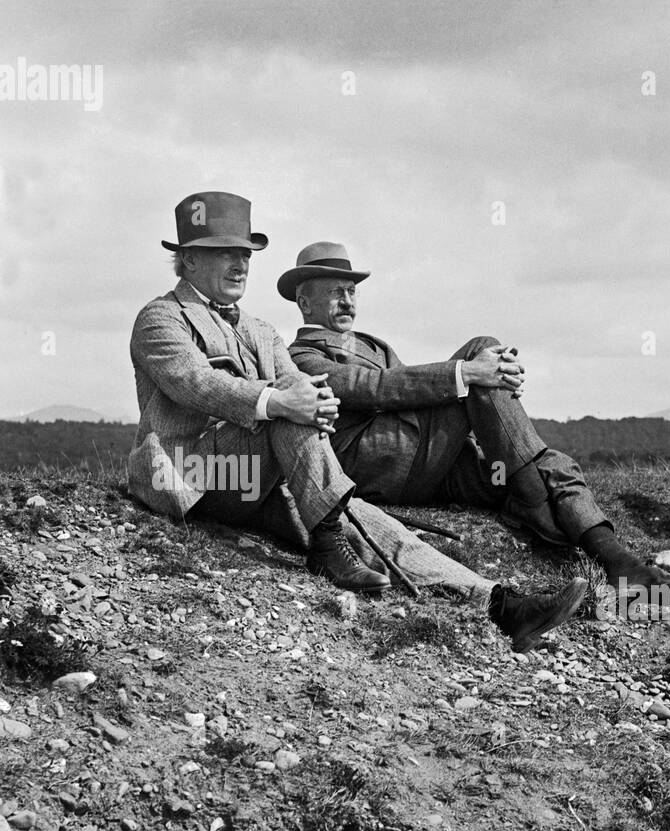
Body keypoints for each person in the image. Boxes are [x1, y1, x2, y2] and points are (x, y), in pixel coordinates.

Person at [127, 192, 585, 652]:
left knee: (374, 524)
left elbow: (301, 387)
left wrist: (317, 402)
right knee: (291, 417)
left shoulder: (261, 330)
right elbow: (196, 383)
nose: (240, 263)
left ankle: (502, 605)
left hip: (255, 477)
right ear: (187, 260)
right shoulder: (161, 317)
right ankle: (328, 544)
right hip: (190, 472)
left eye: (245, 253)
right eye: (223, 252)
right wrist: (284, 401)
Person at [281, 242, 670, 612]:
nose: (348, 300)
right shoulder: (298, 356)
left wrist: (490, 392)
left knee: (548, 464)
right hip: (378, 464)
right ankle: (535, 499)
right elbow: (375, 388)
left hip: (432, 463)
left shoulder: (372, 344)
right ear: (304, 301)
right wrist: (474, 372)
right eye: (336, 291)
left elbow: (415, 392)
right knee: (481, 350)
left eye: (352, 291)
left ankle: (624, 567)